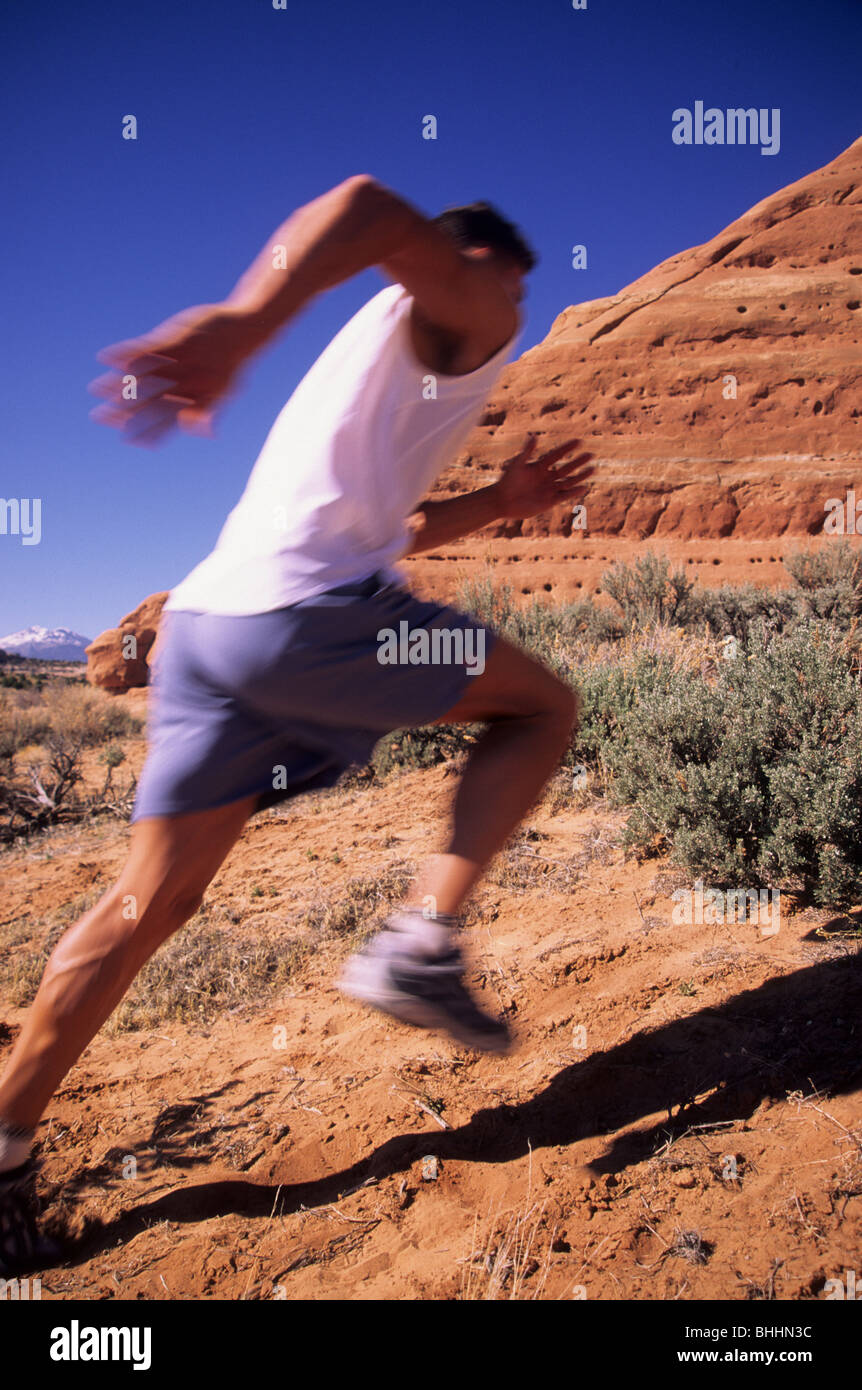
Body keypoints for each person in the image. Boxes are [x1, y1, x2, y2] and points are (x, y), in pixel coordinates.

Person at [0, 176, 593, 1273]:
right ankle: (420, 941)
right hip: (308, 622)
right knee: (542, 705)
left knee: (148, 902)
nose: (517, 308)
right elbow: (368, 205)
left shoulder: (375, 358)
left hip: (209, 628)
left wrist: (498, 505)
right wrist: (240, 322)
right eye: (510, 282)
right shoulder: (478, 305)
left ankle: (3, 1144)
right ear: (482, 264)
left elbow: (392, 525)